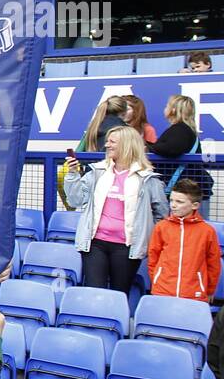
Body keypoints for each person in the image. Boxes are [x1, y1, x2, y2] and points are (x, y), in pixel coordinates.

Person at [63, 125, 168, 294]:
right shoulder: (97, 172)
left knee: (119, 293)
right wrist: (73, 174)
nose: (107, 145)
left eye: (112, 142)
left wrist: (144, 233)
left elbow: (161, 214)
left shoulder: (147, 179)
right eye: (107, 141)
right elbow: (75, 200)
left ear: (127, 144)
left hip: (127, 247)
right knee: (93, 292)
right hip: (95, 243)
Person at [147, 179, 221, 303]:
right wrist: (157, 281)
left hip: (194, 293)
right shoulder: (161, 227)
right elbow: (153, 257)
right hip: (162, 291)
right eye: (171, 200)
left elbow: (213, 264)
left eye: (179, 202)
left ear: (195, 205)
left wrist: (209, 290)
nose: (173, 205)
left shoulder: (207, 231)